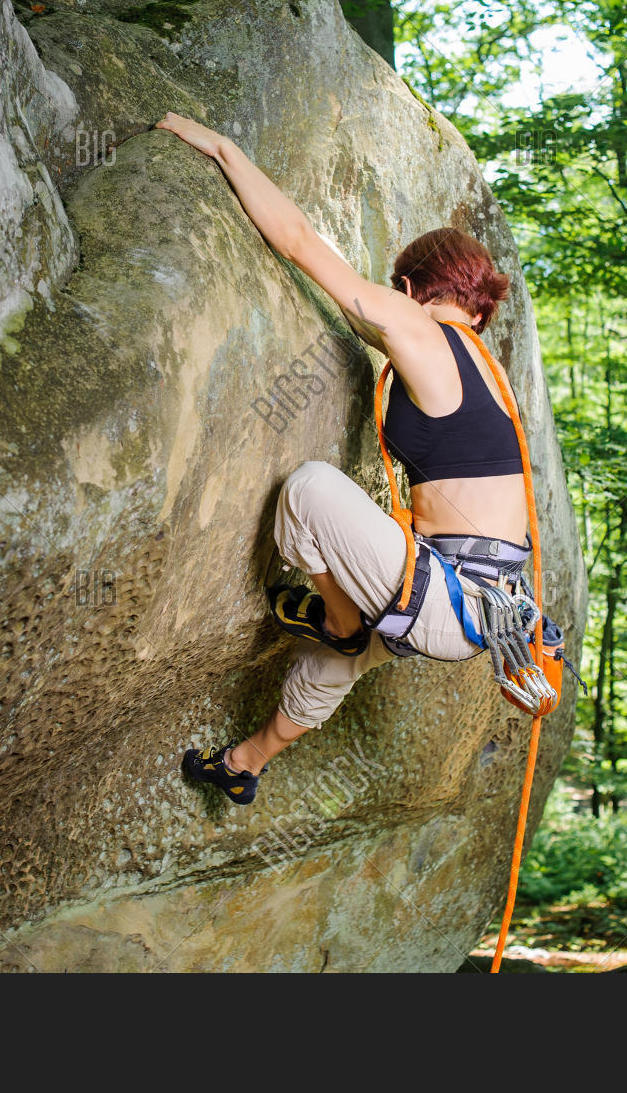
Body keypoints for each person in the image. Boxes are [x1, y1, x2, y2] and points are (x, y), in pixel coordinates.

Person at [156, 112, 532, 806]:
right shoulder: (491, 379)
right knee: (331, 664)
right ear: (480, 309)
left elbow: (300, 243)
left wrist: (223, 146)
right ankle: (244, 763)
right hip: (477, 612)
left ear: (413, 289)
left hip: (445, 598)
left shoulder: (421, 332)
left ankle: (342, 616)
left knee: (309, 489)